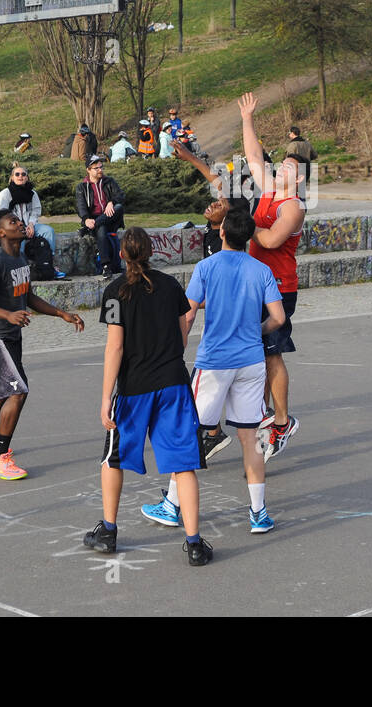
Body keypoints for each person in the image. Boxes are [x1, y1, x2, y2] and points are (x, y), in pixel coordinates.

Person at [141, 208, 286, 535]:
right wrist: (254, 330)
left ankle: (172, 505)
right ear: (249, 238)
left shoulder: (205, 267)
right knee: (251, 438)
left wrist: (175, 350)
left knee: (188, 432)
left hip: (215, 362)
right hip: (251, 361)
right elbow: (277, 318)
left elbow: (188, 315)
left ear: (221, 232)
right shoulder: (261, 270)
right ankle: (259, 513)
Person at [84, 228, 211, 565]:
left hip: (134, 387)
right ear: (152, 252)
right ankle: (195, 544)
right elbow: (184, 331)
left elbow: (115, 346)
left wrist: (104, 396)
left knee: (113, 457)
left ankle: (108, 531)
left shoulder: (115, 291)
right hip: (173, 383)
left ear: (122, 254)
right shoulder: (170, 285)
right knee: (184, 464)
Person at [0, 210, 84, 479]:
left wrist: (61, 313)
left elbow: (27, 295)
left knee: (4, 388)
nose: (19, 223)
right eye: (13, 222)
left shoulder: (20, 257)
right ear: (1, 232)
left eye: (19, 220)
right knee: (18, 391)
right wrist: (8, 314)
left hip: (11, 334)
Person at [239, 92, 305, 461]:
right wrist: (248, 118)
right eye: (280, 165)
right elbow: (252, 155)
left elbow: (268, 238)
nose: (280, 169)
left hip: (280, 289)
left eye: (288, 169)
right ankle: (260, 414)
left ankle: (282, 421)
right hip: (258, 284)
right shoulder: (270, 191)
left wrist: (241, 227)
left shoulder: (292, 207)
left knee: (272, 353)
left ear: (299, 180)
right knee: (257, 353)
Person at [0, 165, 63, 276]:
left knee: (48, 231)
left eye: (23, 174)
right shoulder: (5, 194)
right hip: (13, 228)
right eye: (17, 174)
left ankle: (49, 263)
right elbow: (1, 215)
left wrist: (30, 224)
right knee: (18, 239)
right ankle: (17, 271)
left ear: (27, 177)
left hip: (29, 225)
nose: (20, 176)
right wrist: (19, 226)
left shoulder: (32, 193)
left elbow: (36, 211)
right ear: (12, 177)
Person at [76, 155, 126, 276]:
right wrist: (86, 219)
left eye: (101, 167)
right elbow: (80, 206)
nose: (100, 170)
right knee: (101, 229)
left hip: (111, 218)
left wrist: (111, 202)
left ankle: (90, 227)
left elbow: (120, 196)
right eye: (96, 168)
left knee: (119, 207)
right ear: (88, 170)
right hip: (93, 220)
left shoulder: (109, 181)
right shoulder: (82, 187)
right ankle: (106, 266)